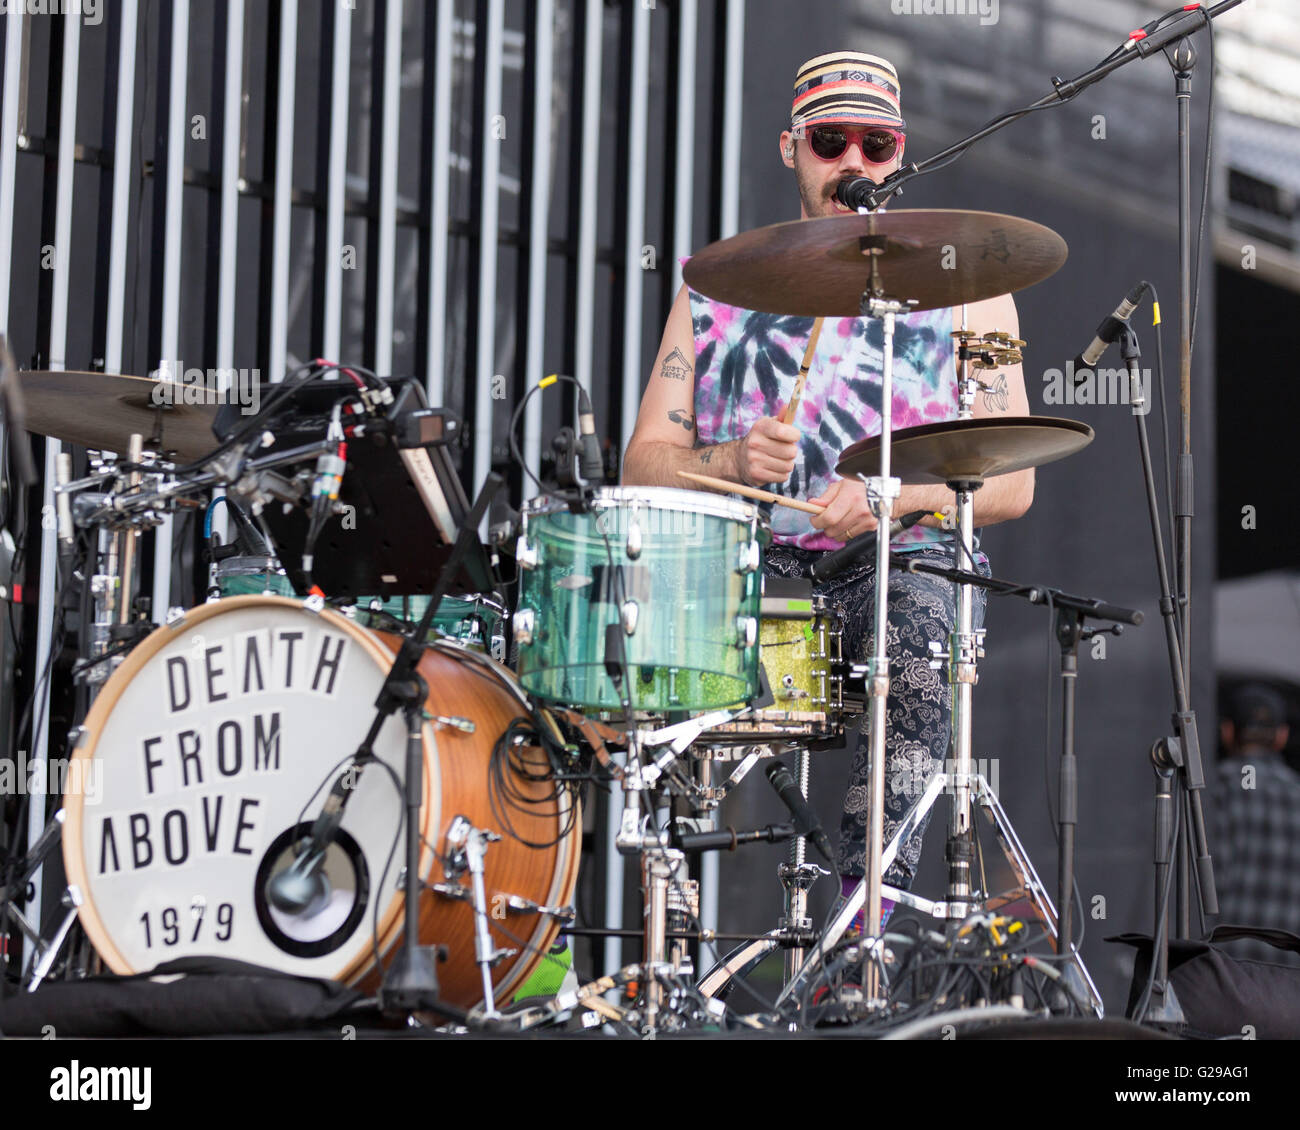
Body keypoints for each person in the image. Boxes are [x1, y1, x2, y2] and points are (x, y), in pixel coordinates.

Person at [622, 50, 1033, 921]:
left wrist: (894, 497)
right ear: (790, 148)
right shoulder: (715, 288)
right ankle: (660, 938)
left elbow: (1013, 479)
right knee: (609, 631)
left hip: (895, 562)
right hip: (747, 564)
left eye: (875, 143)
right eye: (830, 140)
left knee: (925, 633)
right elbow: (643, 462)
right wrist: (727, 463)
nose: (854, 161)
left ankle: (864, 920)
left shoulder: (973, 295)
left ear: (900, 153)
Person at [1212, 683, 1300, 965]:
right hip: (1287, 982)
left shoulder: (1212, 790)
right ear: (1282, 736)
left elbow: (1206, 887)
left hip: (1223, 974)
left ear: (1227, 732)